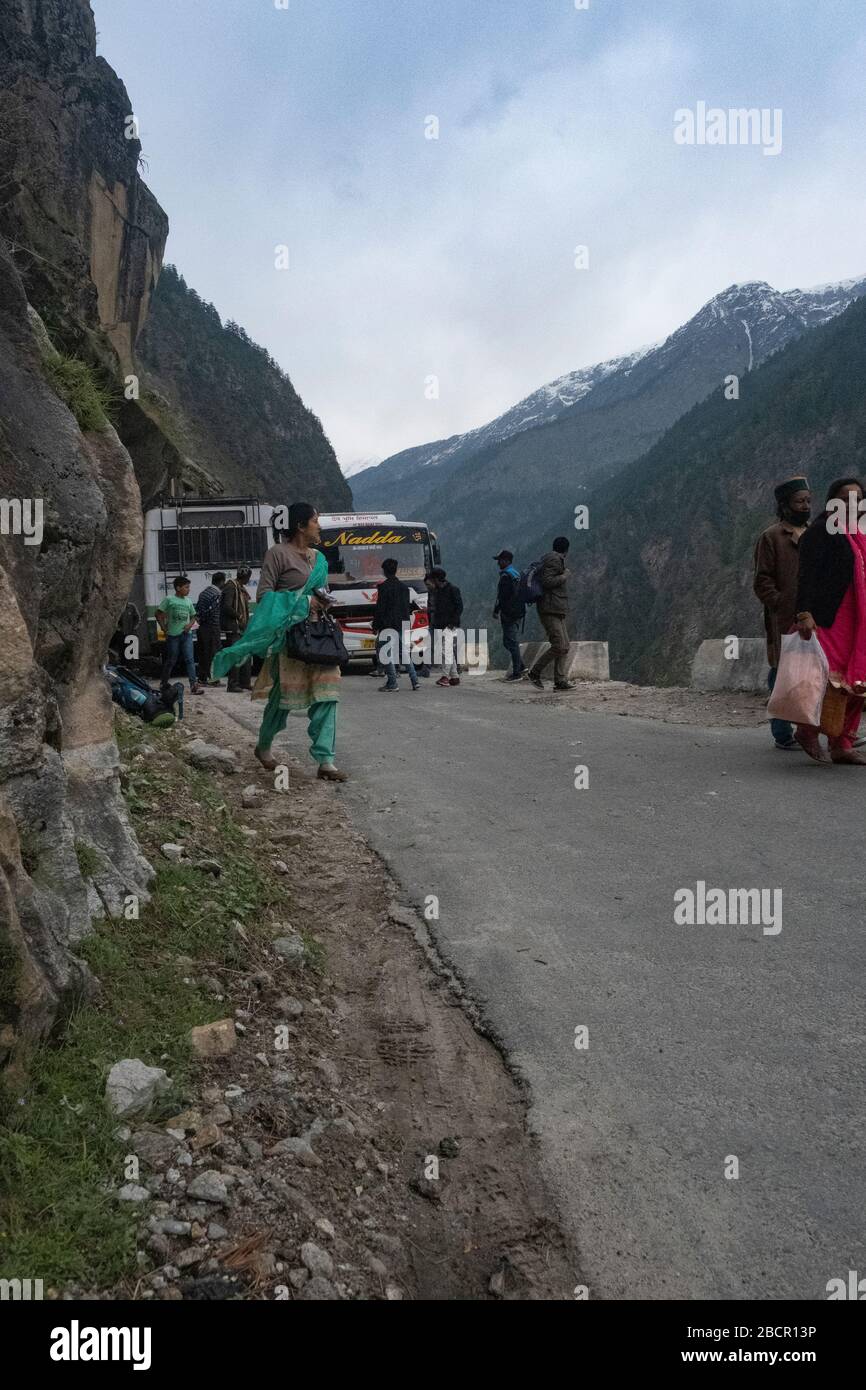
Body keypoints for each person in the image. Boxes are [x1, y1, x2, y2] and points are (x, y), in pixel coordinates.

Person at [212, 504, 347, 781]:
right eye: (314, 521)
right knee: (282, 698)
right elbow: (264, 597)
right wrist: (301, 602)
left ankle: (325, 761)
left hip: (320, 636)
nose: (319, 526)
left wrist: (322, 601)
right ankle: (263, 746)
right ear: (300, 526)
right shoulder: (277, 554)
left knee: (328, 694)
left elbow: (320, 591)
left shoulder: (319, 558)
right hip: (291, 638)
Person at [793, 476, 866, 765]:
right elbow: (806, 576)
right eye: (846, 498)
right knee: (828, 680)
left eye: (858, 498)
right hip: (832, 618)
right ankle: (807, 730)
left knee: (857, 682)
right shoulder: (821, 531)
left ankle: (842, 743)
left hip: (859, 621)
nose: (853, 503)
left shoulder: (859, 532)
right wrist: (804, 613)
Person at [753, 477, 811, 750]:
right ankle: (782, 733)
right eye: (799, 501)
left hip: (811, 617)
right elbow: (762, 580)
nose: (805, 506)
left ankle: (807, 730)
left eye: (808, 501)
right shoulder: (772, 537)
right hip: (783, 618)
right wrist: (780, 603)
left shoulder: (814, 534)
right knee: (781, 675)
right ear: (784, 505)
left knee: (808, 675)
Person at [524, 537, 573, 690]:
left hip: (556, 608)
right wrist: (565, 576)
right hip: (550, 608)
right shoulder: (554, 559)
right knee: (559, 644)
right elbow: (547, 581)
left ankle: (560, 681)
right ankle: (535, 673)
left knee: (565, 645)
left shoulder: (551, 558)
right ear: (566, 549)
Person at [373, 557, 419, 691]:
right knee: (403, 653)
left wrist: (376, 625)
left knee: (386, 654)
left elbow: (380, 608)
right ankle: (415, 680)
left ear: (384, 572)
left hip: (387, 625)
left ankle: (392, 683)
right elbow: (406, 608)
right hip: (401, 624)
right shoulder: (404, 588)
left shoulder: (383, 587)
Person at [156, 576, 205, 694]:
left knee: (190, 659)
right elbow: (158, 614)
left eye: (189, 587)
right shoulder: (169, 599)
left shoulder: (188, 601)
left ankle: (194, 685)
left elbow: (194, 616)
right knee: (171, 660)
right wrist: (163, 628)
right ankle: (164, 683)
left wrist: (189, 625)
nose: (188, 590)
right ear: (178, 588)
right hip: (173, 635)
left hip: (186, 635)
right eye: (186, 587)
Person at [492, 549, 526, 680]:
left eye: (499, 561)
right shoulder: (515, 574)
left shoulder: (506, 576)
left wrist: (496, 611)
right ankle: (521, 666)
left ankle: (517, 672)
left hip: (509, 614)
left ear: (506, 561)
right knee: (508, 641)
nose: (498, 563)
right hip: (518, 612)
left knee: (510, 642)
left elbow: (503, 597)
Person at [428, 566, 463, 687]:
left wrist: (452, 623)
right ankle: (454, 676)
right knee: (448, 650)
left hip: (450, 626)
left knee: (445, 651)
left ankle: (445, 676)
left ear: (437, 579)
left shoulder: (453, 589)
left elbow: (459, 608)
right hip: (441, 625)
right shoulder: (438, 591)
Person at [221, 567, 253, 692]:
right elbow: (226, 607)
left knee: (246, 655)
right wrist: (239, 616)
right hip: (234, 627)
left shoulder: (240, 587)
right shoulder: (231, 586)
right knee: (235, 656)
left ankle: (245, 682)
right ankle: (232, 684)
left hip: (242, 627)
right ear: (246, 577)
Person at [196, 571, 227, 686]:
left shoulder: (204, 593)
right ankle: (214, 679)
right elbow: (212, 611)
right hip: (212, 627)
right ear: (222, 582)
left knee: (203, 653)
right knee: (214, 653)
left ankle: (202, 678)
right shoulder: (217, 594)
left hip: (202, 627)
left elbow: (199, 610)